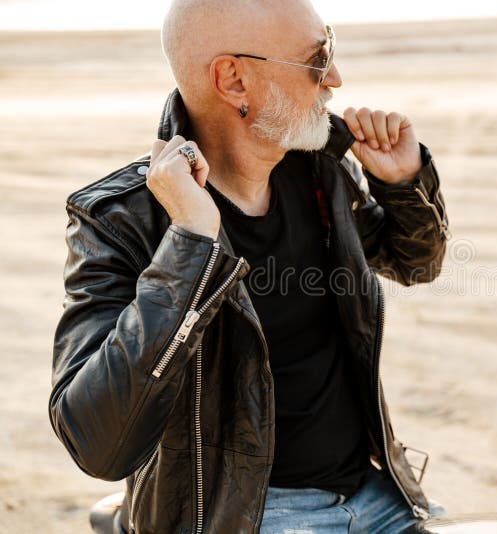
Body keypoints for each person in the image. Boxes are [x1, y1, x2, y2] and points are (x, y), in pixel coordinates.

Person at [48, 0, 449, 532]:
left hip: (379, 494)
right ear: (234, 80)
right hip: (239, 517)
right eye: (317, 58)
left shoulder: (321, 171)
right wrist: (190, 245)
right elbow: (96, 442)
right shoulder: (119, 218)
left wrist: (402, 185)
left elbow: (415, 264)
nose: (335, 78)